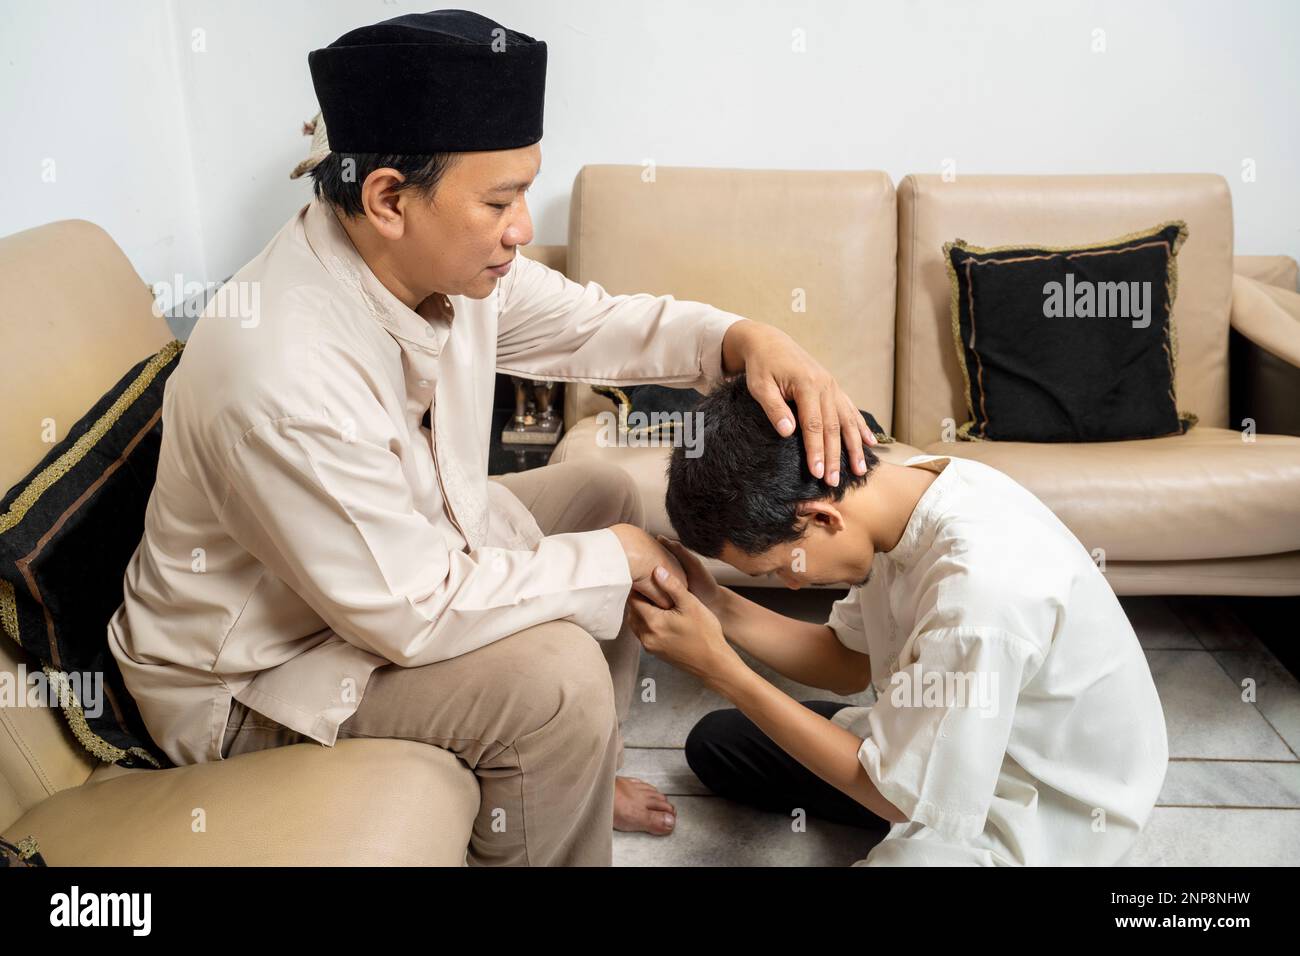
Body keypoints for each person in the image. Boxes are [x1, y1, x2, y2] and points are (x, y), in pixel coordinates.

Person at [107, 9, 875, 867]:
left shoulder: (448, 269)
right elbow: (411, 610)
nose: (521, 227)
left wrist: (745, 338)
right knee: (558, 680)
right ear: (389, 198)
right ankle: (564, 781)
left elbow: (595, 327)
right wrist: (614, 558)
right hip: (260, 675)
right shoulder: (283, 370)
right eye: (501, 201)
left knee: (605, 496)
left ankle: (579, 774)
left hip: (375, 579)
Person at [627, 374, 1169, 865]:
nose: (791, 583)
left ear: (820, 516)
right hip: (965, 736)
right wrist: (717, 606)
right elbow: (847, 664)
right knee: (721, 743)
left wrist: (723, 671)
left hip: (1042, 803)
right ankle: (901, 776)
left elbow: (887, 794)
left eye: (779, 569)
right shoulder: (901, 496)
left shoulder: (977, 596)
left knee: (894, 818)